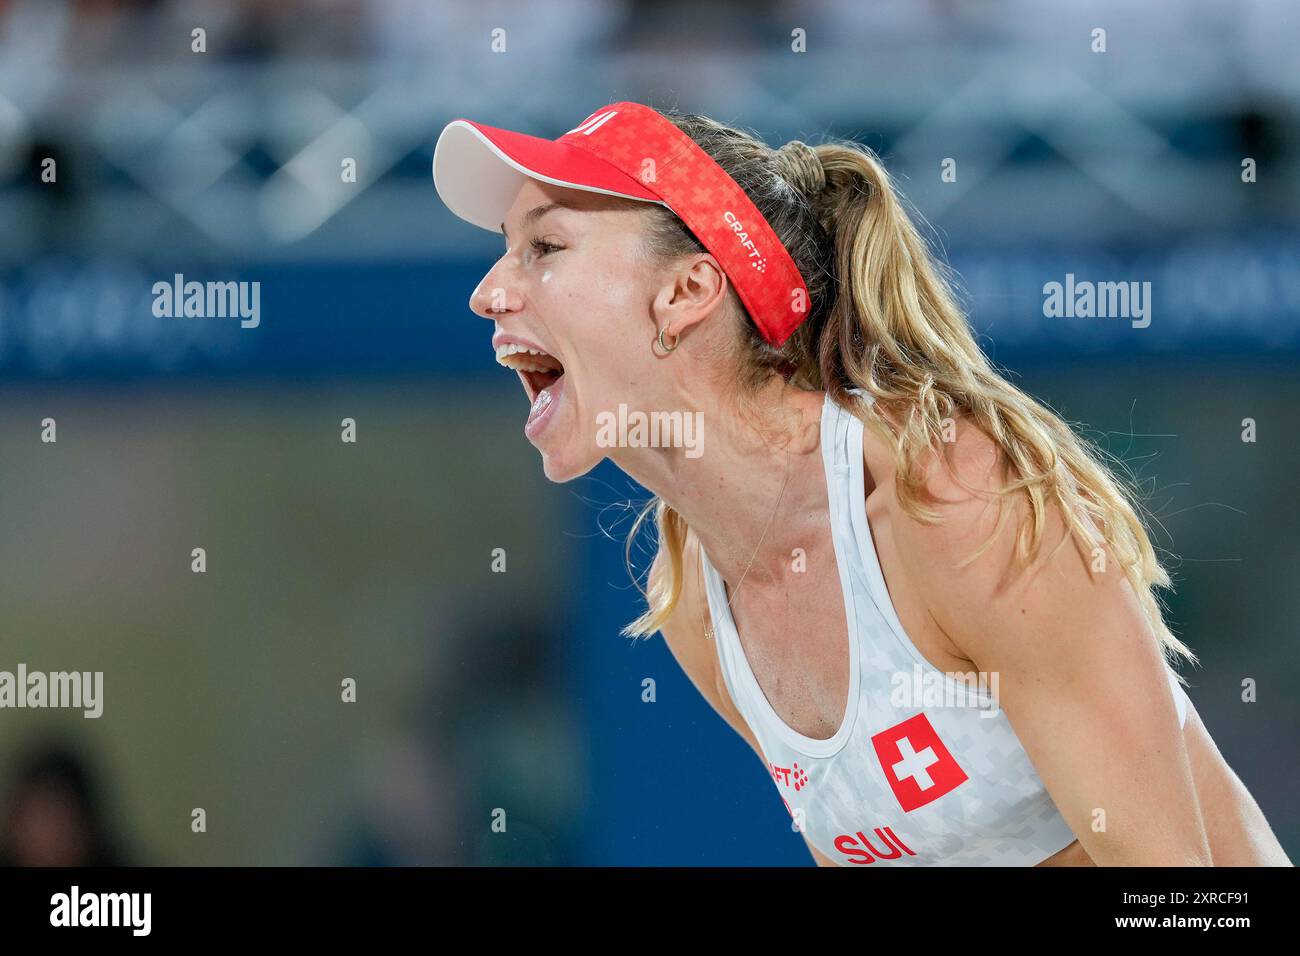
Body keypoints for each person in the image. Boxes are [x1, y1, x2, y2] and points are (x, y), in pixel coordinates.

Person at [431, 101, 1291, 866]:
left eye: (543, 248)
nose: (487, 293)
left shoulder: (950, 499)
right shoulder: (696, 594)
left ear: (687, 292)